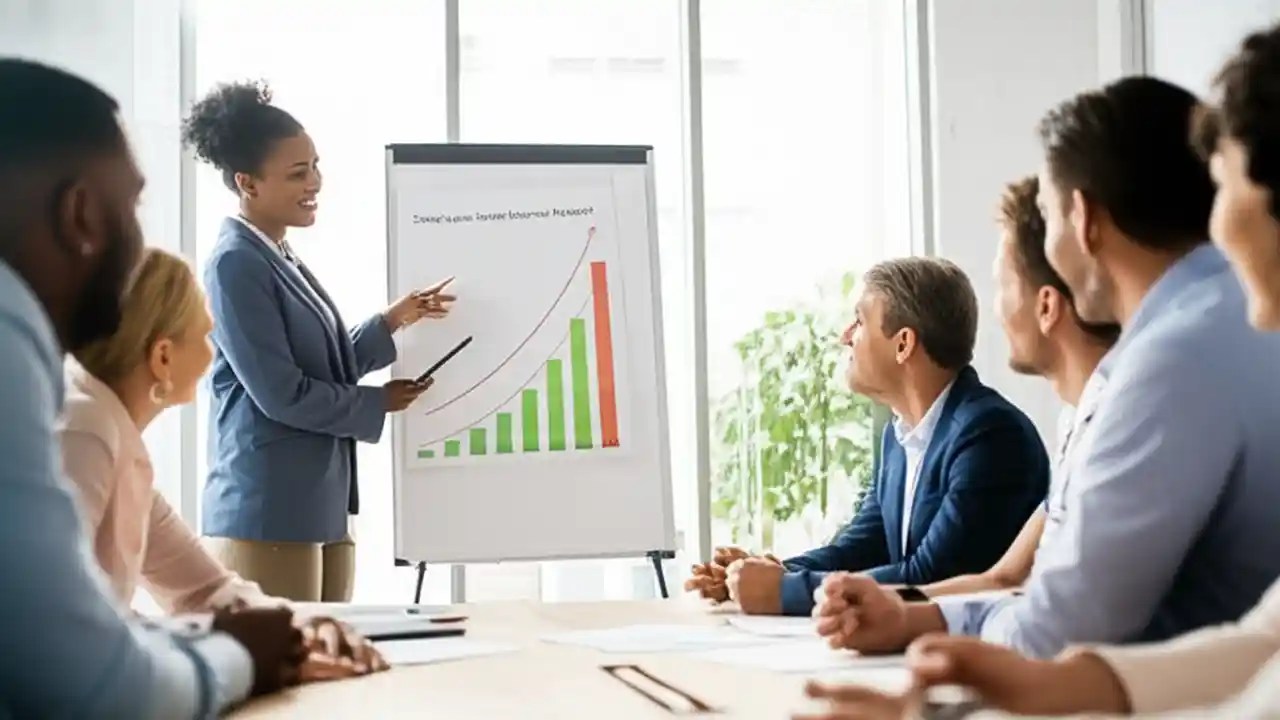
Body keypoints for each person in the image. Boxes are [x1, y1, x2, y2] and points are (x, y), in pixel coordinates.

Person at [797, 21, 1280, 720]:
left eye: (1224, 181)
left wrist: (940, 698)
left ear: (1082, 220)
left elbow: (1060, 628)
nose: (1220, 223)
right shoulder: (1171, 349)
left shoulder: (1173, 357)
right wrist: (926, 629)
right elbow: (1263, 645)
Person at [0, 57, 303, 718]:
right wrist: (239, 655)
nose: (140, 239)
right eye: (133, 203)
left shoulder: (107, 431)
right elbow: (83, 676)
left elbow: (184, 596)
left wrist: (289, 635)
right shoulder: (38, 374)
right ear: (80, 212)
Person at [59, 247, 389, 678]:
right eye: (206, 335)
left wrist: (302, 625)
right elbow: (68, 630)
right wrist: (243, 657)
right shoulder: (82, 435)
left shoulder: (119, 445)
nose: (216, 349)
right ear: (162, 357)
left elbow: (205, 588)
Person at [183, 80, 455, 601]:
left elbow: (321, 366)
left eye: (316, 166)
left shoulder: (277, 254)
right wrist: (378, 401)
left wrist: (390, 321)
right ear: (248, 183)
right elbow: (281, 391)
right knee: (291, 673)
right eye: (297, 173)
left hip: (318, 504)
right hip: (269, 508)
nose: (316, 182)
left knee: (327, 667)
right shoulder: (235, 263)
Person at [688, 257, 1050, 616]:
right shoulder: (898, 436)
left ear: (903, 343)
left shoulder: (990, 435)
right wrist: (767, 573)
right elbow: (861, 548)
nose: (845, 336)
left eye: (859, 321)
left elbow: (933, 576)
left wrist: (784, 592)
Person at [914, 175, 1118, 601]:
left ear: (1046, 306)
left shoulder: (1117, 424)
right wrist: (894, 608)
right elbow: (1004, 578)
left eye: (1002, 286)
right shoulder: (1076, 420)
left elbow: (1066, 609)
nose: (995, 309)